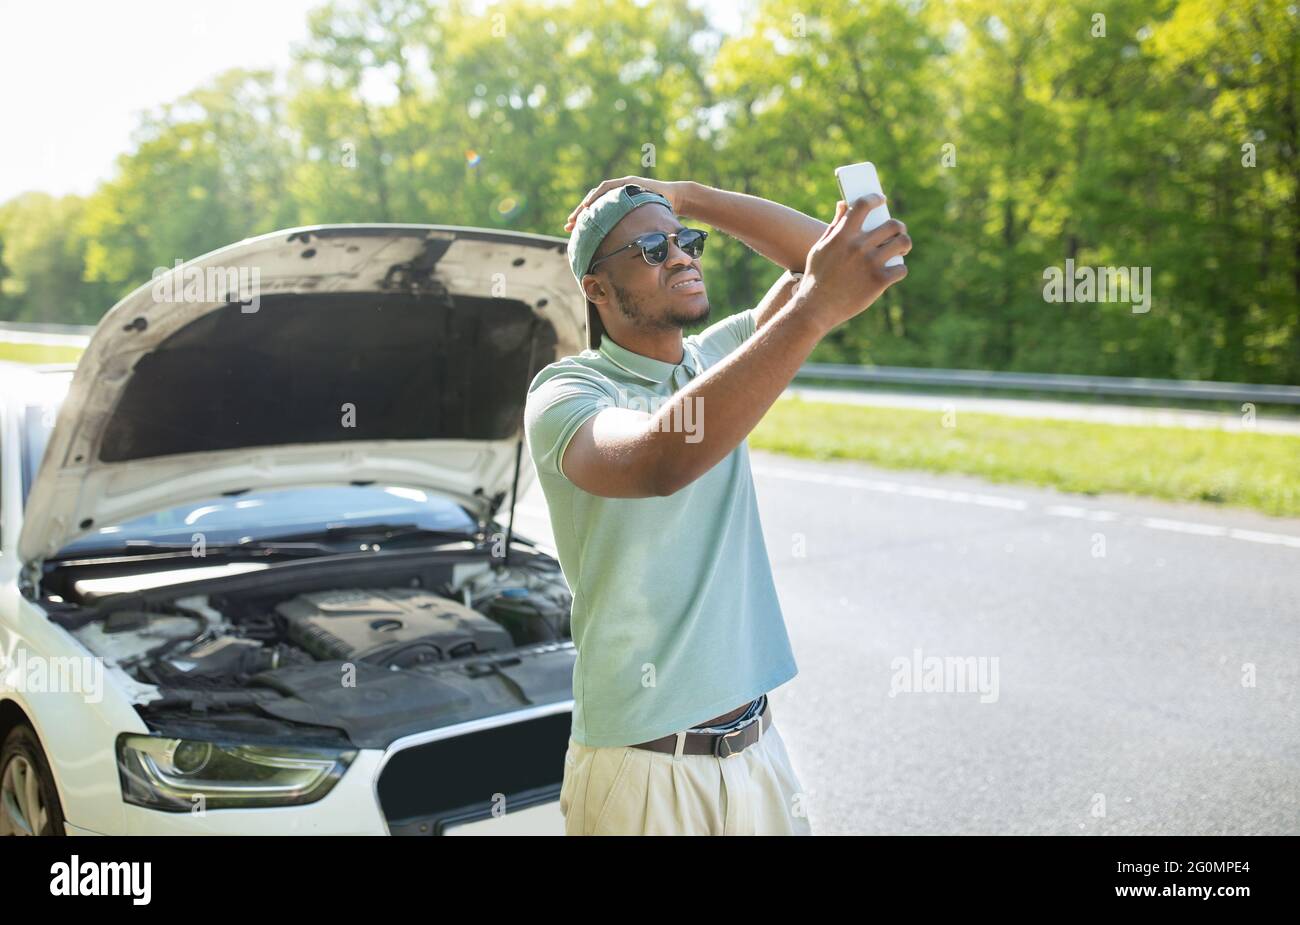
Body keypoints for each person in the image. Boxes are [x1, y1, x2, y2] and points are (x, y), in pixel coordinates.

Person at [524, 177, 910, 835]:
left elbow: (828, 255)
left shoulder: (716, 357)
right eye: (650, 248)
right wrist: (812, 310)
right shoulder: (566, 391)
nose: (679, 256)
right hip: (643, 771)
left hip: (758, 750)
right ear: (596, 289)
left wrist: (688, 195)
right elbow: (657, 460)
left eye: (685, 242)